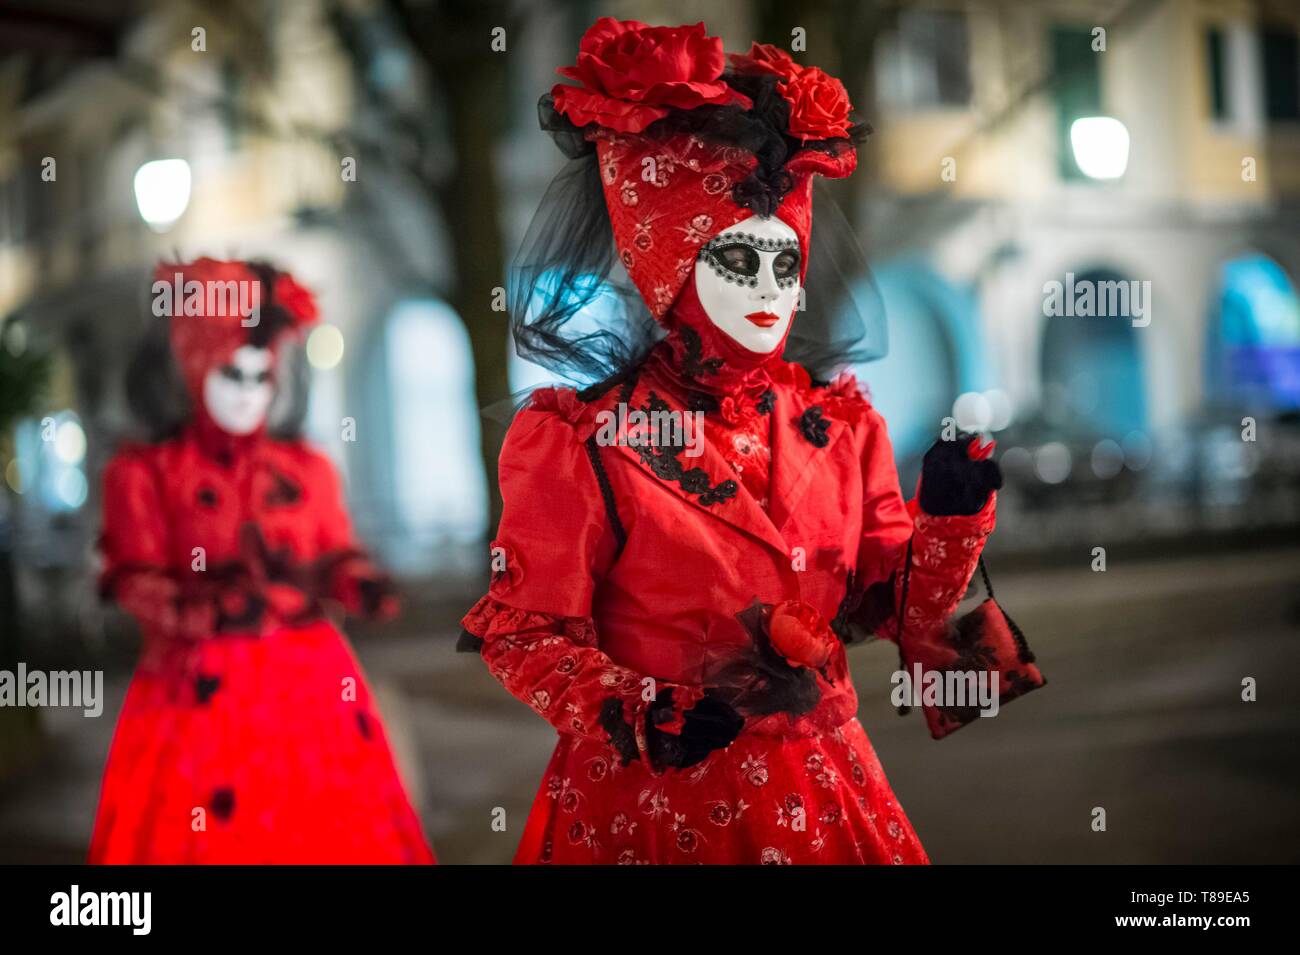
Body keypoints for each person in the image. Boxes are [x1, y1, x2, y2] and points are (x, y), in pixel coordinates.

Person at [459, 19, 1039, 865]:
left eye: (783, 262)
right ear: (670, 262)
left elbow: (891, 607)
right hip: (653, 808)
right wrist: (635, 707)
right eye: (736, 260)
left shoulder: (838, 425)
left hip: (820, 786)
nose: (768, 291)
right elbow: (523, 632)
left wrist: (951, 518)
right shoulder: (583, 440)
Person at [90, 257, 434, 864]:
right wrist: (203, 609)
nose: (248, 396)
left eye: (260, 377)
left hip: (312, 696)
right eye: (231, 375)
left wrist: (357, 582)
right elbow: (136, 578)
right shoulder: (145, 474)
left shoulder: (306, 469)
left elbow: (332, 552)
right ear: (191, 367)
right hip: (195, 705)